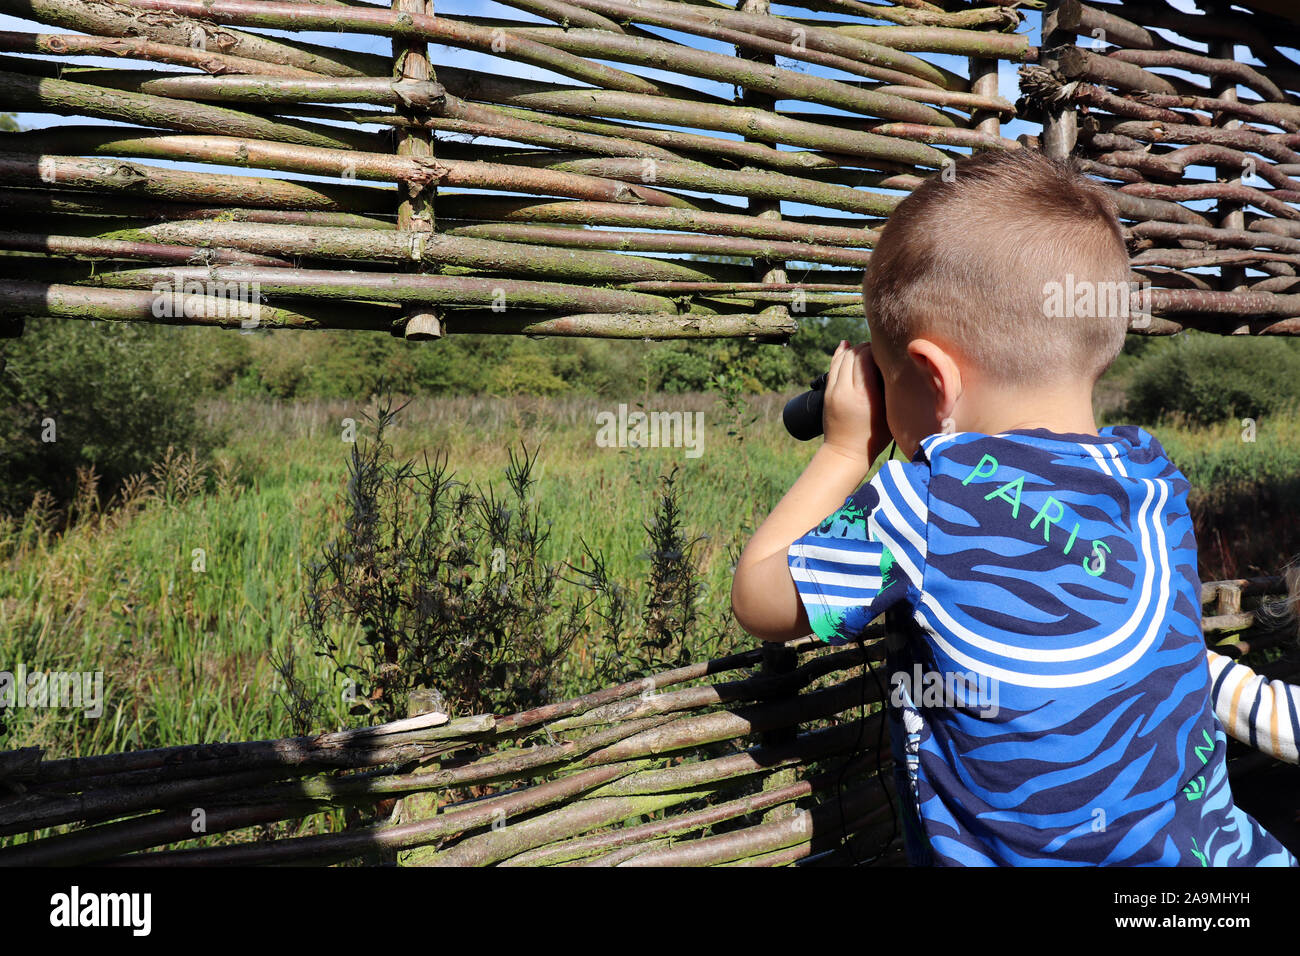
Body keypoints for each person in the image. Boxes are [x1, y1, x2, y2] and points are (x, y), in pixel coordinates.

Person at [730, 147, 1297, 866]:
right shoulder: (1154, 483)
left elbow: (759, 597)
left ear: (935, 379)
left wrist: (844, 450)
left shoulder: (921, 506)